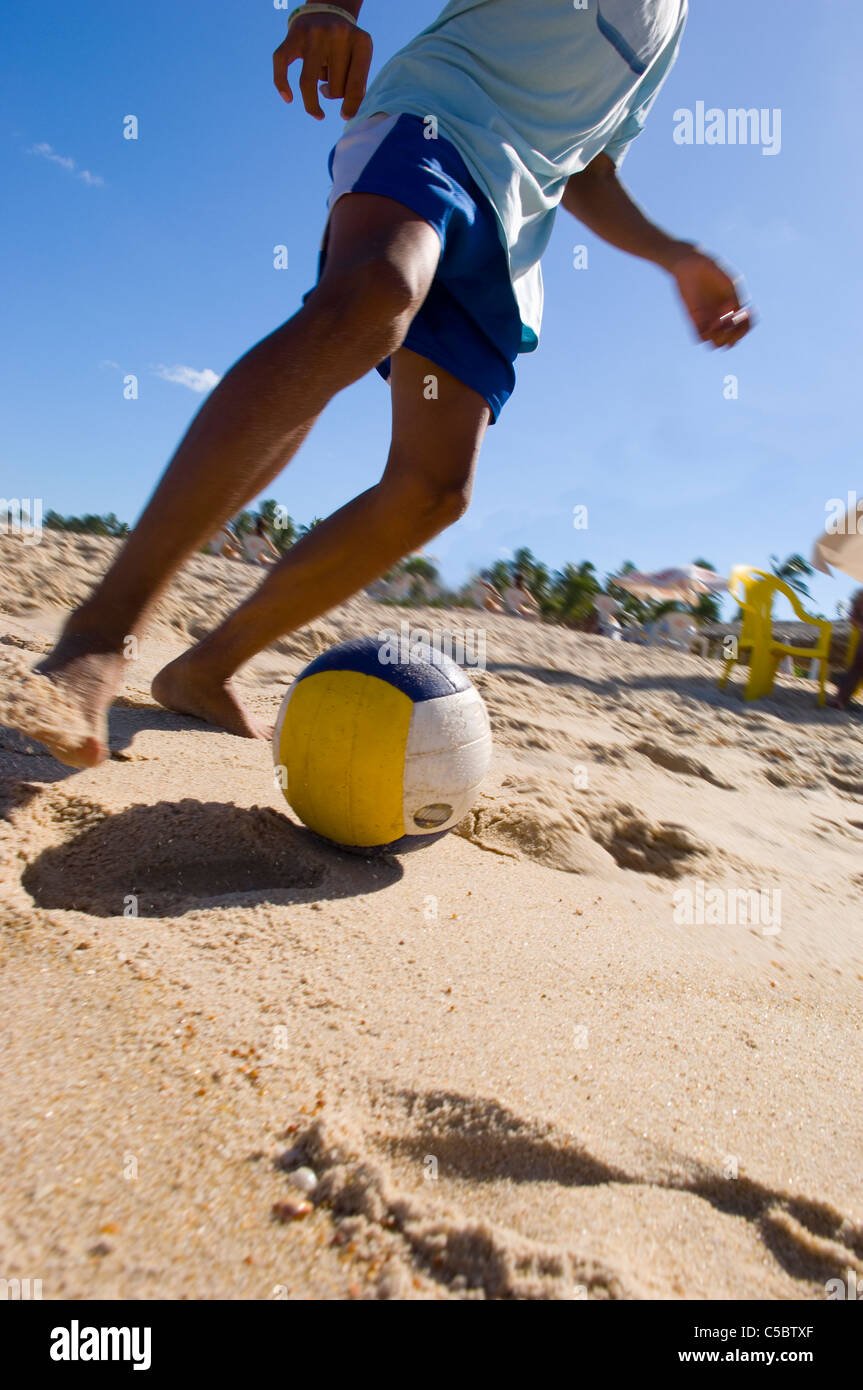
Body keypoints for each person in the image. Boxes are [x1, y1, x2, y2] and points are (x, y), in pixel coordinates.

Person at [13, 0, 753, 768]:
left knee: (433, 488)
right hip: (431, 128)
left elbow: (590, 169)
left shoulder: (667, 25)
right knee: (372, 294)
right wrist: (330, 9)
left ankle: (206, 667)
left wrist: (675, 256)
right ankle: (100, 635)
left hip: (511, 238)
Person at [828, 589, 863, 709]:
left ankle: (841, 698)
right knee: (859, 662)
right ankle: (840, 698)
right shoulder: (861, 595)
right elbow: (853, 617)